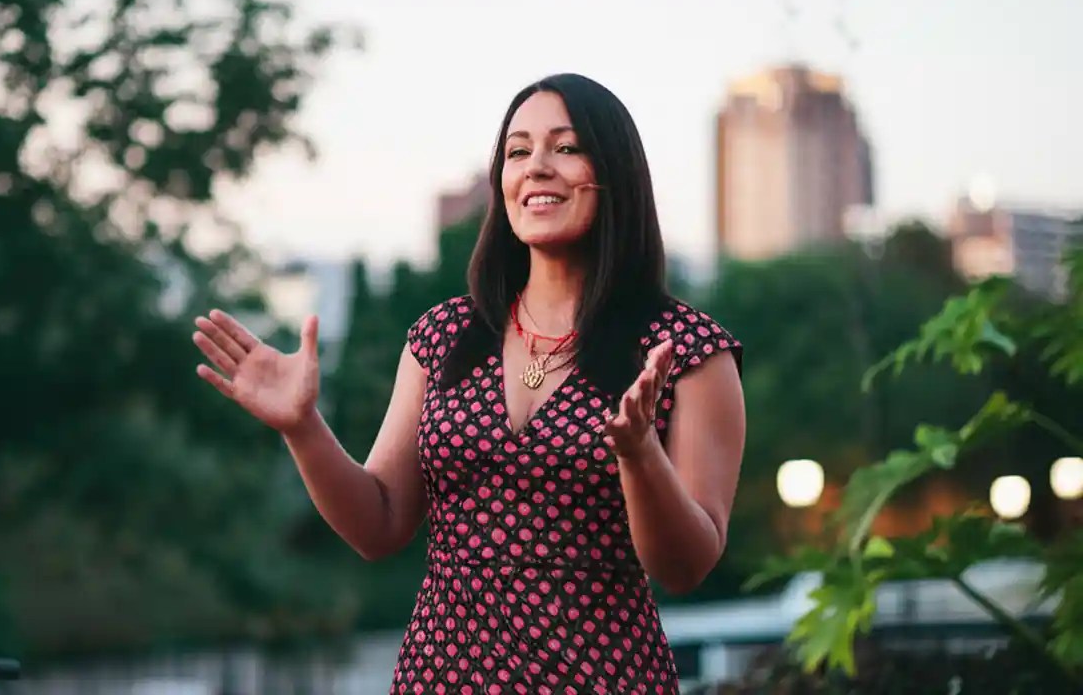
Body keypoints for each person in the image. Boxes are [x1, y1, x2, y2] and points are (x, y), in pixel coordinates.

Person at [192, 73, 746, 695]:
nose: (537, 168)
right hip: (441, 677)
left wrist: (641, 456)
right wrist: (301, 426)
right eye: (517, 152)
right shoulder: (446, 335)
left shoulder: (690, 352)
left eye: (565, 148)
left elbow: (685, 566)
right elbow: (380, 524)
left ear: (614, 172)